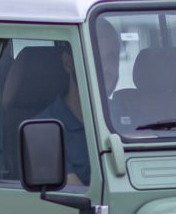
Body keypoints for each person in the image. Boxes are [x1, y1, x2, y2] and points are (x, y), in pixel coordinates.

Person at [36, 21, 121, 187]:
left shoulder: (132, 117)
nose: (107, 68)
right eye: (94, 57)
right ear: (68, 63)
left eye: (112, 57)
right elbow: (81, 199)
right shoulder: (44, 129)